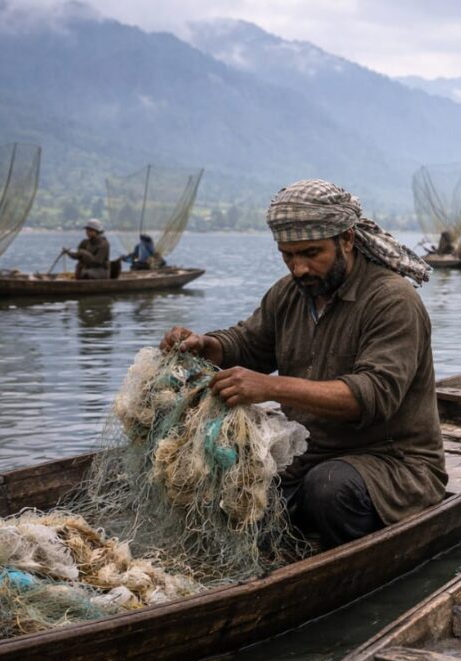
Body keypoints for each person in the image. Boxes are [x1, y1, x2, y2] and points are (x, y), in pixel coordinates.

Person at [159, 179, 446, 549]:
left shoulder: (392, 300)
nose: (299, 269)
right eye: (288, 255)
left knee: (328, 488)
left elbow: (372, 396)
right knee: (233, 489)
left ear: (347, 239)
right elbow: (248, 343)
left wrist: (269, 386)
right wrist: (205, 345)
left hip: (395, 462)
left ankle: (356, 569)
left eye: (311, 253)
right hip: (308, 453)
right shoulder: (289, 293)